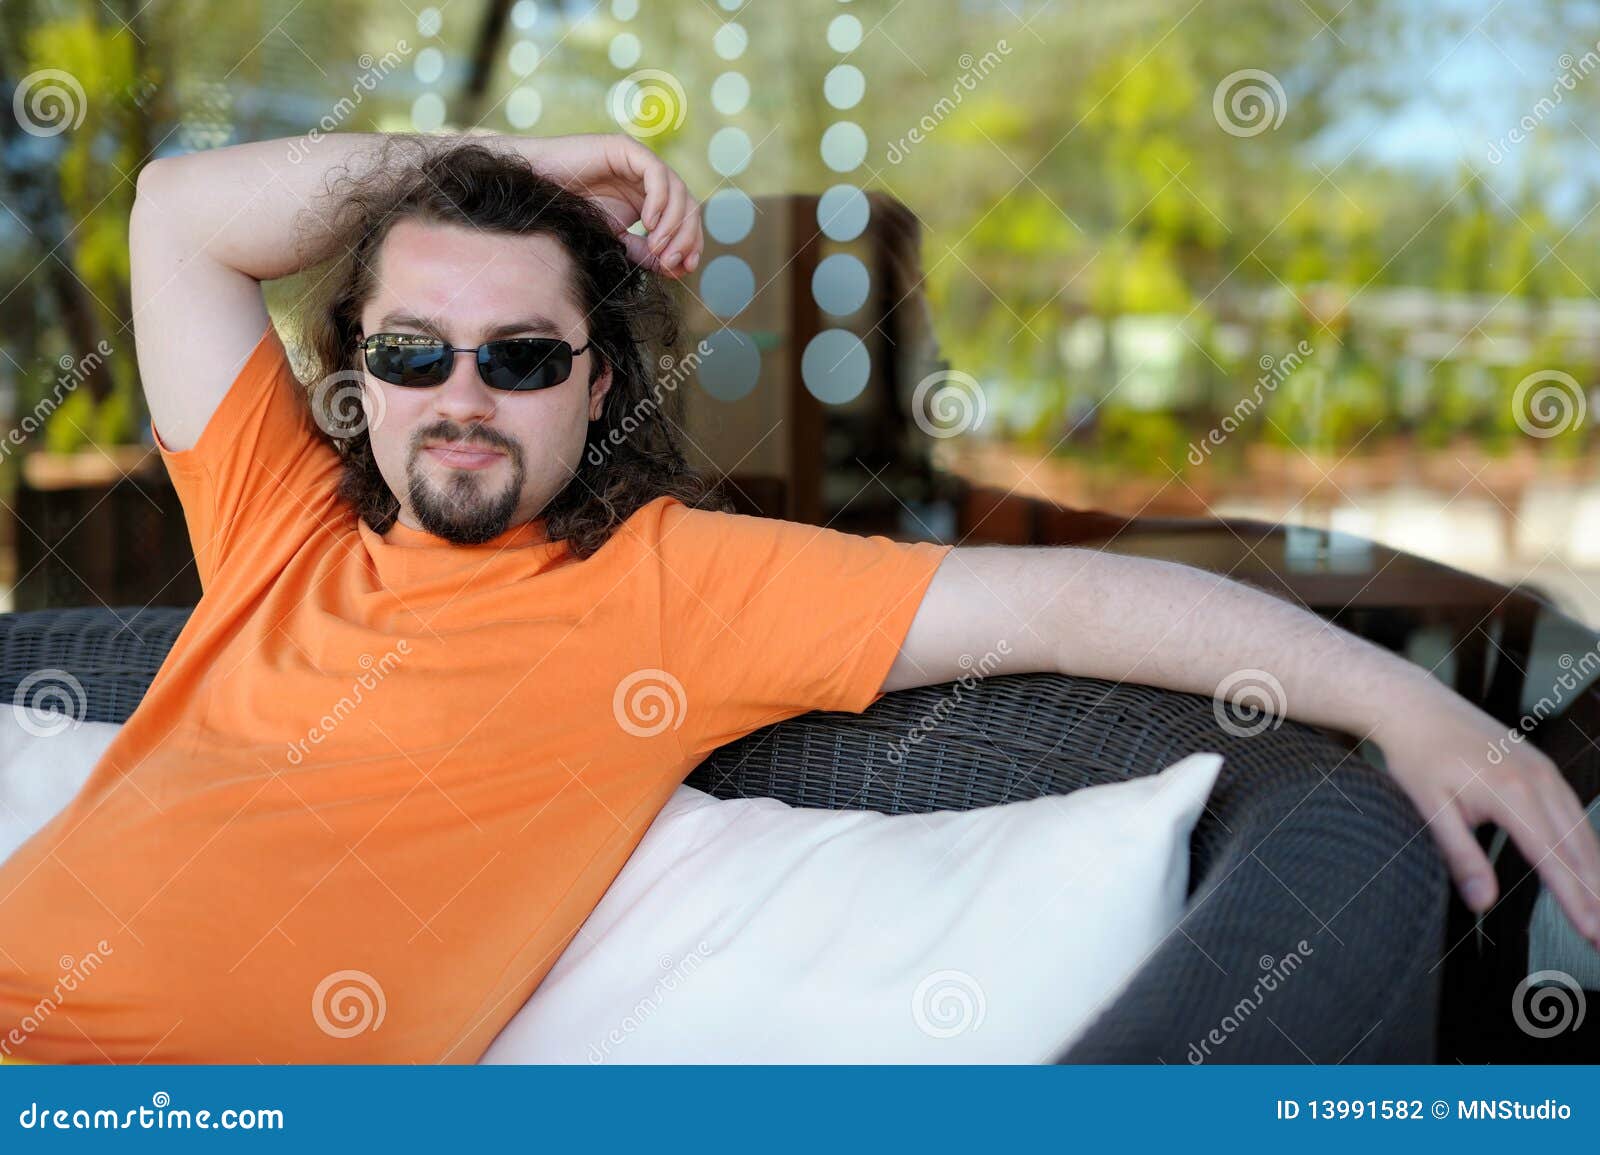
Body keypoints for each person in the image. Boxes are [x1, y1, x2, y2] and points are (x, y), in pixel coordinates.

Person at [1, 131, 1596, 1065]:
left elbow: (1063, 605)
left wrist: (1406, 697)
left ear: (598, 382)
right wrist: (523, 168)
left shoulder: (676, 592)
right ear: (359, 373)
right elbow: (179, 213)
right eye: (413, 351)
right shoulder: (274, 526)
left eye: (523, 356)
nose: (462, 393)